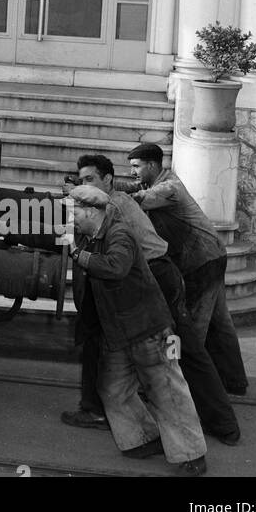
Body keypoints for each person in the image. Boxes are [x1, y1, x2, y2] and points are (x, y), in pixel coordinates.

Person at [60, 154, 241, 445]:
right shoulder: (115, 198)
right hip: (152, 273)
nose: (85, 186)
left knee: (182, 350)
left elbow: (95, 243)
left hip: (156, 276)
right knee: (107, 341)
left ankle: (221, 424)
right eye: (81, 181)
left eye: (90, 179)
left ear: (107, 179)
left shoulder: (109, 206)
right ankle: (97, 408)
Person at [66, 183, 208, 475]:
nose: (72, 218)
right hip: (120, 332)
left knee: (167, 390)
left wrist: (79, 256)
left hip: (151, 329)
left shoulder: (120, 234)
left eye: (75, 212)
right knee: (112, 388)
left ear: (92, 212)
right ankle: (143, 438)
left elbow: (115, 267)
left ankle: (192, 455)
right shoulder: (90, 234)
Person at [117, 142, 249, 397]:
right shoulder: (155, 183)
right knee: (220, 323)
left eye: (136, 166)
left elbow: (136, 200)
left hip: (202, 262)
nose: (132, 172)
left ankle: (183, 388)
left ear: (153, 165)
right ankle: (235, 382)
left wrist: (103, 193)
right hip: (210, 257)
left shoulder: (169, 188)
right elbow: (132, 188)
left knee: (192, 329)